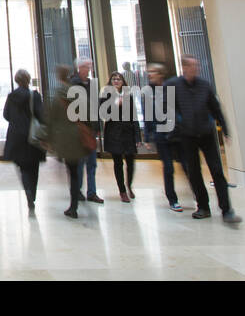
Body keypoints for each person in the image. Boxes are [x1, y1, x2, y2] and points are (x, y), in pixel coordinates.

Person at [167, 56, 241, 224]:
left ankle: (226, 209)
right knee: (194, 172)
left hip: (206, 134)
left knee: (217, 171)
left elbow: (215, 108)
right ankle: (203, 207)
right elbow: (168, 109)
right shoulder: (173, 85)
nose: (196, 68)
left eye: (197, 65)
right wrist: (175, 130)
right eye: (192, 66)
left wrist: (225, 129)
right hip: (187, 136)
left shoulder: (204, 85)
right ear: (184, 67)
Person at [48, 65, 91, 218]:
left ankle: (73, 204)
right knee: (75, 170)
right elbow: (86, 113)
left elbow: (52, 118)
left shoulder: (58, 94)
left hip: (65, 137)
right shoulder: (76, 93)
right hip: (77, 135)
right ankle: (75, 202)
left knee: (71, 171)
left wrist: (50, 138)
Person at [3, 69, 46, 213]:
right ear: (28, 80)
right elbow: (41, 116)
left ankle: (28, 192)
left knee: (23, 168)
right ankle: (32, 193)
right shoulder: (34, 96)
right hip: (32, 137)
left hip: (16, 136)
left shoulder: (11, 96)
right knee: (33, 167)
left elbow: (6, 115)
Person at [144, 63, 183, 211]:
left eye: (153, 72)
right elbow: (148, 114)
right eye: (149, 72)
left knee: (186, 165)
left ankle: (197, 193)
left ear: (161, 74)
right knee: (168, 167)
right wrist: (147, 137)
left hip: (176, 132)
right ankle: (172, 199)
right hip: (160, 133)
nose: (150, 74)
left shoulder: (170, 88)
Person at [68, 59, 103, 204]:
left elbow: (97, 106)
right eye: (86, 67)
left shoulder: (91, 84)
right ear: (80, 68)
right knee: (81, 162)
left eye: (89, 67)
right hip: (79, 129)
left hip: (91, 129)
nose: (88, 69)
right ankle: (79, 190)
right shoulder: (73, 84)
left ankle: (91, 191)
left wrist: (98, 127)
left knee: (92, 162)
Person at [101, 72, 139, 203]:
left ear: (123, 81)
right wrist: (116, 104)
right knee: (118, 163)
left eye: (119, 79)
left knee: (130, 162)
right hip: (114, 133)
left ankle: (129, 185)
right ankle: (122, 190)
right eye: (114, 79)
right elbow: (104, 114)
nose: (116, 81)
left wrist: (138, 136)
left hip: (128, 133)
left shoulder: (128, 95)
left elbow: (134, 116)